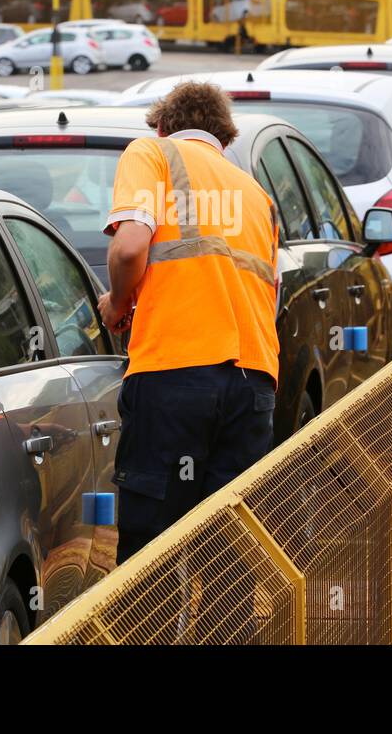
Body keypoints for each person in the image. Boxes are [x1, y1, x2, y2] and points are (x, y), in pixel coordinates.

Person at [98, 81, 280, 564]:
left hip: (174, 372)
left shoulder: (153, 153)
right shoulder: (256, 194)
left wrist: (117, 304)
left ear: (162, 125)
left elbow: (131, 246)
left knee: (151, 551)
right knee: (231, 552)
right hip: (255, 381)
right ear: (225, 138)